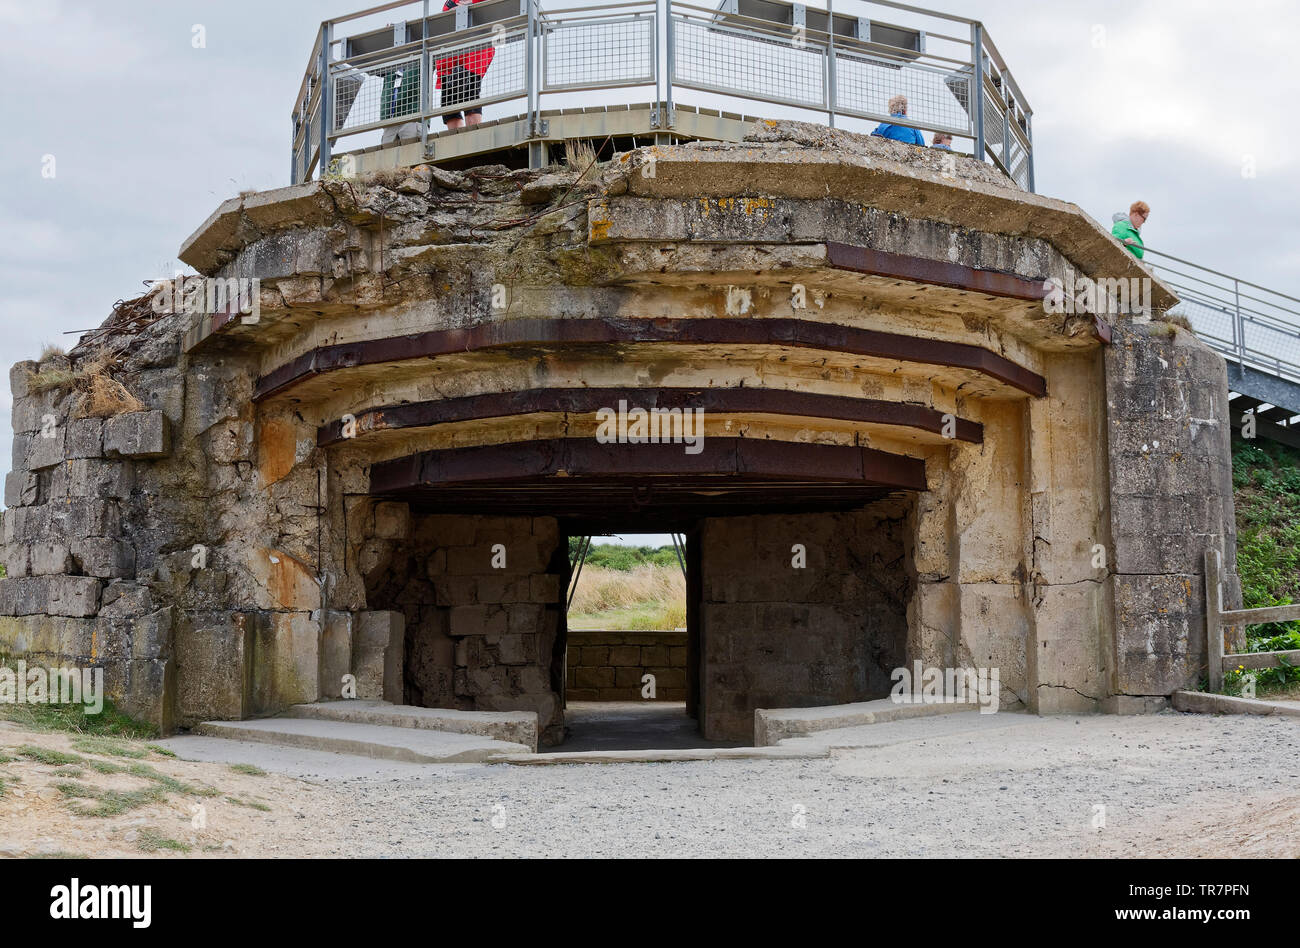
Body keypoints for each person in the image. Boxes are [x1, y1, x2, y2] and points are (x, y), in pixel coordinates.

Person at [436, 0, 496, 129]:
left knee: (470, 93)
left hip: (473, 52)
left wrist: (471, 4)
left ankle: (474, 134)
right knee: (449, 101)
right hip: (450, 55)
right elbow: (446, 14)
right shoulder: (450, 2)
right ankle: (455, 138)